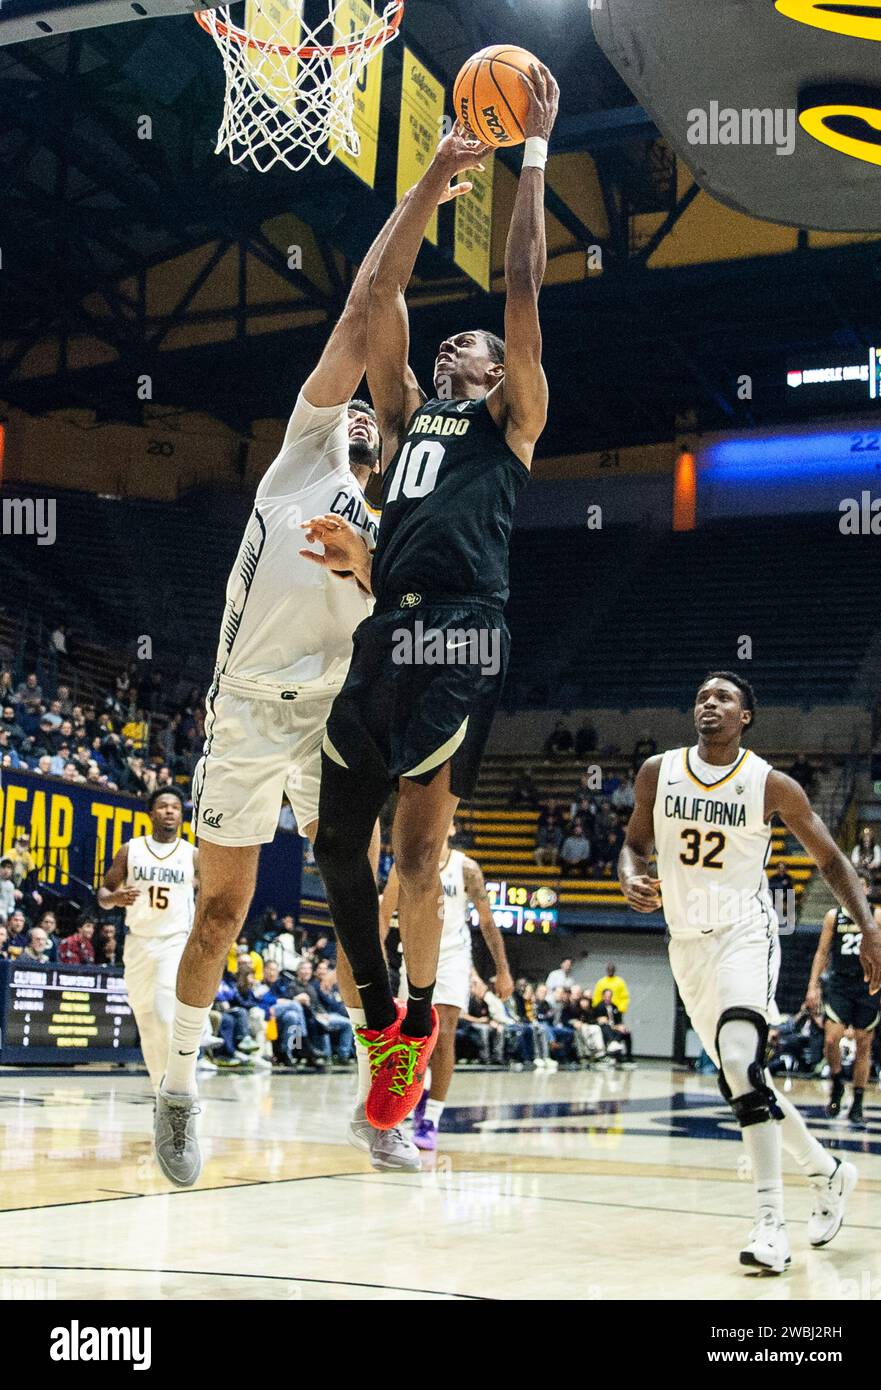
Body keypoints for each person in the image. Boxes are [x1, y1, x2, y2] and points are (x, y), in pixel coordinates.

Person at [151, 168, 474, 1185]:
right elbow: (368, 298)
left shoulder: (408, 520)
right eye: (367, 411)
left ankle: (384, 1101)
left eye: (387, 419)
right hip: (249, 710)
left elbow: (422, 611)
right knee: (221, 910)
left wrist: (362, 561)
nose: (372, 421)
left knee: (350, 905)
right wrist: (435, 178)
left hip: (335, 718)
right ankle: (178, 1092)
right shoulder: (304, 449)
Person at [307, 72, 559, 1135]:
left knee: (418, 847)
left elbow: (520, 289)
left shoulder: (512, 418)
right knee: (332, 845)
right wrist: (432, 178)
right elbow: (378, 304)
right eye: (456, 342)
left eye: (483, 345)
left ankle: (417, 1017)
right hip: (386, 620)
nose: (468, 344)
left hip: (461, 625)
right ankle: (386, 1021)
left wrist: (533, 152)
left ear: (502, 372)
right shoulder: (405, 416)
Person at [619, 670, 881, 1274]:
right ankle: (828, 1172)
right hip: (685, 943)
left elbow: (831, 858)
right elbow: (635, 845)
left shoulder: (770, 785)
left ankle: (771, 1223)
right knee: (744, 1081)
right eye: (701, 697)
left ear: (746, 717)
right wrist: (629, 877)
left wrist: (869, 927)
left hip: (745, 933)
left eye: (724, 698)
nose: (708, 704)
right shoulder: (657, 772)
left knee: (741, 1062)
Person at [378, 821, 514, 1152]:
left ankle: (431, 1117)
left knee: (445, 1034)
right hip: (413, 955)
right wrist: (378, 960)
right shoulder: (406, 864)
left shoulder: (466, 868)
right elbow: (384, 915)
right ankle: (414, 1097)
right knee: (412, 1036)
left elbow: (486, 921)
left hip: (453, 956)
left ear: (451, 829)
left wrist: (503, 970)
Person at [100, 788, 197, 1095]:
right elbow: (103, 895)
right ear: (151, 813)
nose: (170, 811)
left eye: (175, 807)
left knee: (164, 1013)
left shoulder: (192, 854)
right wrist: (115, 898)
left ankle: (179, 1087)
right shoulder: (131, 850)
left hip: (174, 940)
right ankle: (161, 1091)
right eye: (163, 806)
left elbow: (209, 898)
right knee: (145, 1018)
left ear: (181, 815)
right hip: (139, 941)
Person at [806, 871, 881, 1127]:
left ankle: (857, 1101)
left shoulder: (878, 916)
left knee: (864, 1046)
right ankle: (836, 1082)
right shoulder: (834, 916)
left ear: (866, 889)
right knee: (831, 1039)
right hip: (841, 984)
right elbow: (822, 953)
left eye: (861, 884)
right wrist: (813, 986)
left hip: (868, 986)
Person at [592, 988, 635, 1067]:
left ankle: (628, 1056)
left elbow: (618, 1020)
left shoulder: (614, 1006)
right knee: (607, 1028)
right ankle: (613, 1046)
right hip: (605, 1028)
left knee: (626, 1033)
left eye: (610, 996)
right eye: (606, 996)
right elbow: (598, 1020)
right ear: (603, 996)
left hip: (614, 1027)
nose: (608, 998)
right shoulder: (599, 1007)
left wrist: (621, 1026)